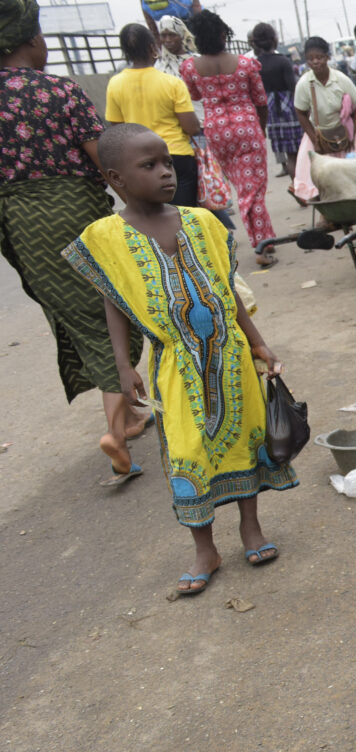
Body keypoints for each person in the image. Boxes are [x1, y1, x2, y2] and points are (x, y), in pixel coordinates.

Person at [65, 124, 297, 594]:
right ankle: (204, 547)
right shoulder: (105, 237)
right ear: (115, 178)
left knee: (249, 436)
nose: (166, 173)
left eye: (167, 162)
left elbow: (226, 290)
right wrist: (123, 365)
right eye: (148, 166)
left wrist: (257, 341)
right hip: (176, 365)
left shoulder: (203, 222)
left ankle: (250, 527)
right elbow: (115, 301)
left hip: (232, 358)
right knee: (189, 453)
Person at [1, 2, 154, 485]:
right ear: (30, 41)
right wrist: (145, 210)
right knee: (113, 309)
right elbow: (103, 156)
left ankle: (127, 416)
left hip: (17, 222)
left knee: (78, 314)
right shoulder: (59, 91)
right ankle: (116, 430)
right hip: (72, 211)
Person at [181, 11, 276, 265]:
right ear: (224, 34)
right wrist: (262, 128)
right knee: (253, 190)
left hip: (215, 132)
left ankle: (264, 239)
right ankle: (261, 247)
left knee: (243, 187)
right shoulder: (245, 64)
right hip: (246, 128)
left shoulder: (190, 67)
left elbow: (195, 95)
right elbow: (261, 101)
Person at [106, 24, 201, 205]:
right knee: (185, 216)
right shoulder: (172, 83)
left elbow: (117, 131)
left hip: (138, 161)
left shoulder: (115, 84)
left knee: (153, 216)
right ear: (153, 46)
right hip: (175, 156)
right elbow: (191, 127)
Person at [291, 37, 356, 202]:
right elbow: (300, 112)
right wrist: (314, 139)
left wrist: (352, 133)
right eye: (311, 59)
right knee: (318, 178)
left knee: (353, 174)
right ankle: (326, 213)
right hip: (318, 134)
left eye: (319, 57)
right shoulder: (304, 83)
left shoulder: (340, 79)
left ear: (327, 57)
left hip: (343, 133)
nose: (316, 62)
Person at [249, 23, 300, 179]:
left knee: (289, 155)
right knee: (299, 153)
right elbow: (294, 88)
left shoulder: (255, 64)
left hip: (270, 110)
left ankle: (296, 188)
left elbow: (255, 93)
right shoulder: (283, 61)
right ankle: (303, 188)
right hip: (289, 109)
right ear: (274, 40)